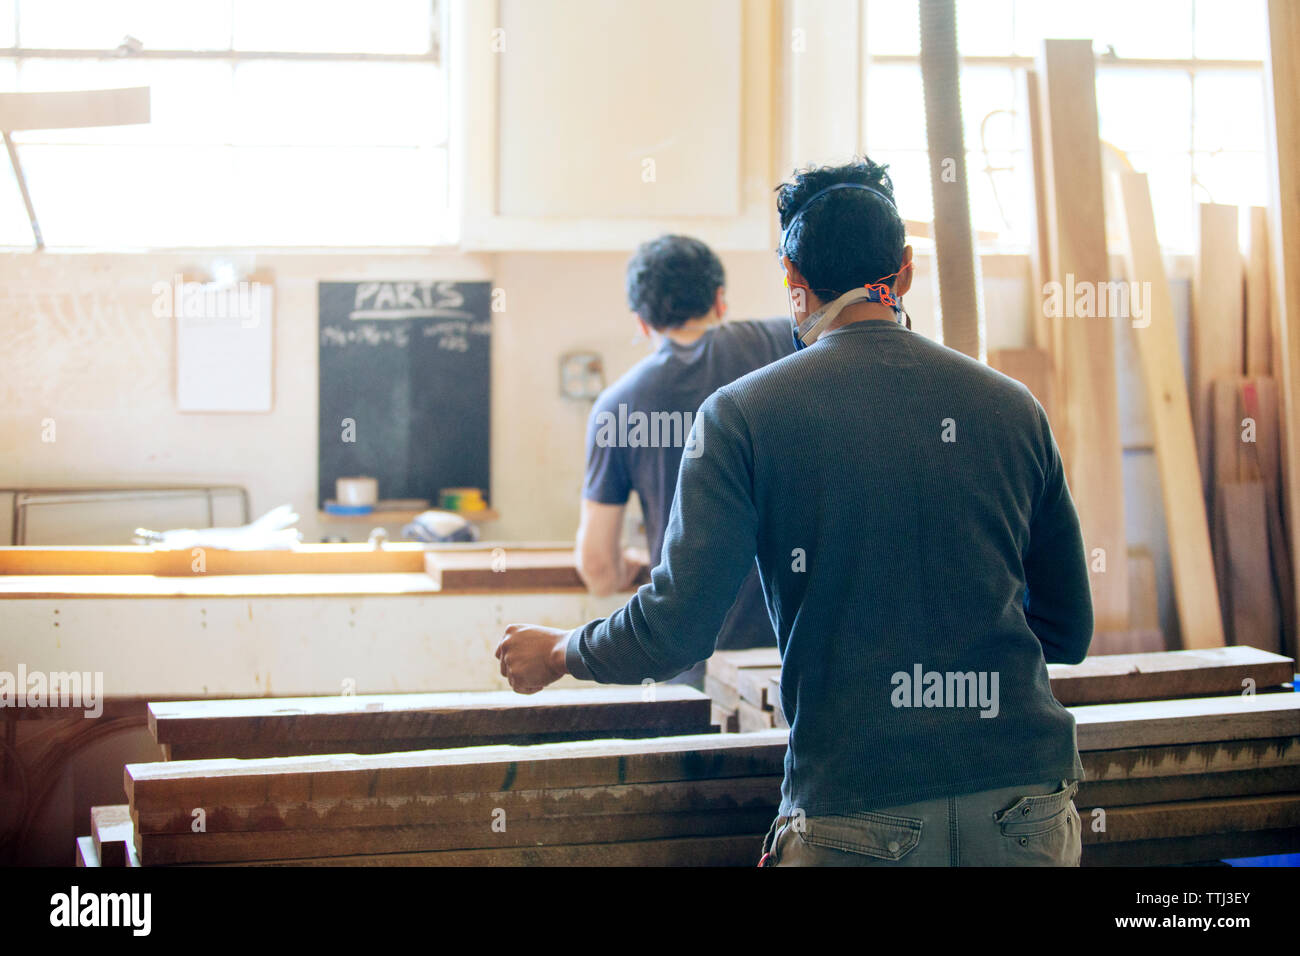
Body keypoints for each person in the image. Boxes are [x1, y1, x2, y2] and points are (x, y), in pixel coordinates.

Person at [496, 158, 1092, 866]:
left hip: (857, 810)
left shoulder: (743, 415)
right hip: (1027, 805)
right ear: (905, 271)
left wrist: (562, 650)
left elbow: (676, 631)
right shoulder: (1014, 407)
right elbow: (1067, 630)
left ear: (794, 286)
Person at [574, 235, 794, 686]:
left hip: (694, 661)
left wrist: (625, 568)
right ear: (719, 300)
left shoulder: (617, 406)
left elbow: (596, 569)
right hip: (798, 650)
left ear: (640, 321)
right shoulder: (785, 344)